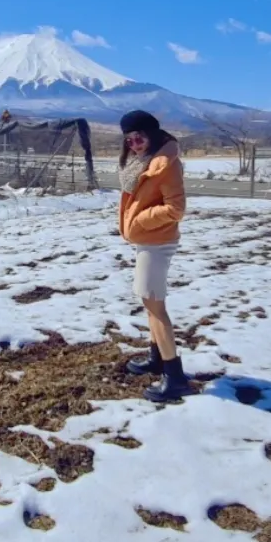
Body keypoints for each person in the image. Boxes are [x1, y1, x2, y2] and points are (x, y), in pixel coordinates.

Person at [116, 108, 190, 403]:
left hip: (157, 242)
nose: (134, 144)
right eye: (129, 139)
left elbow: (176, 208)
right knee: (150, 303)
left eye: (140, 137)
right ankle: (157, 358)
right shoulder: (144, 161)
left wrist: (139, 221)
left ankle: (175, 377)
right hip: (148, 241)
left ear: (153, 134)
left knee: (156, 306)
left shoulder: (165, 164)